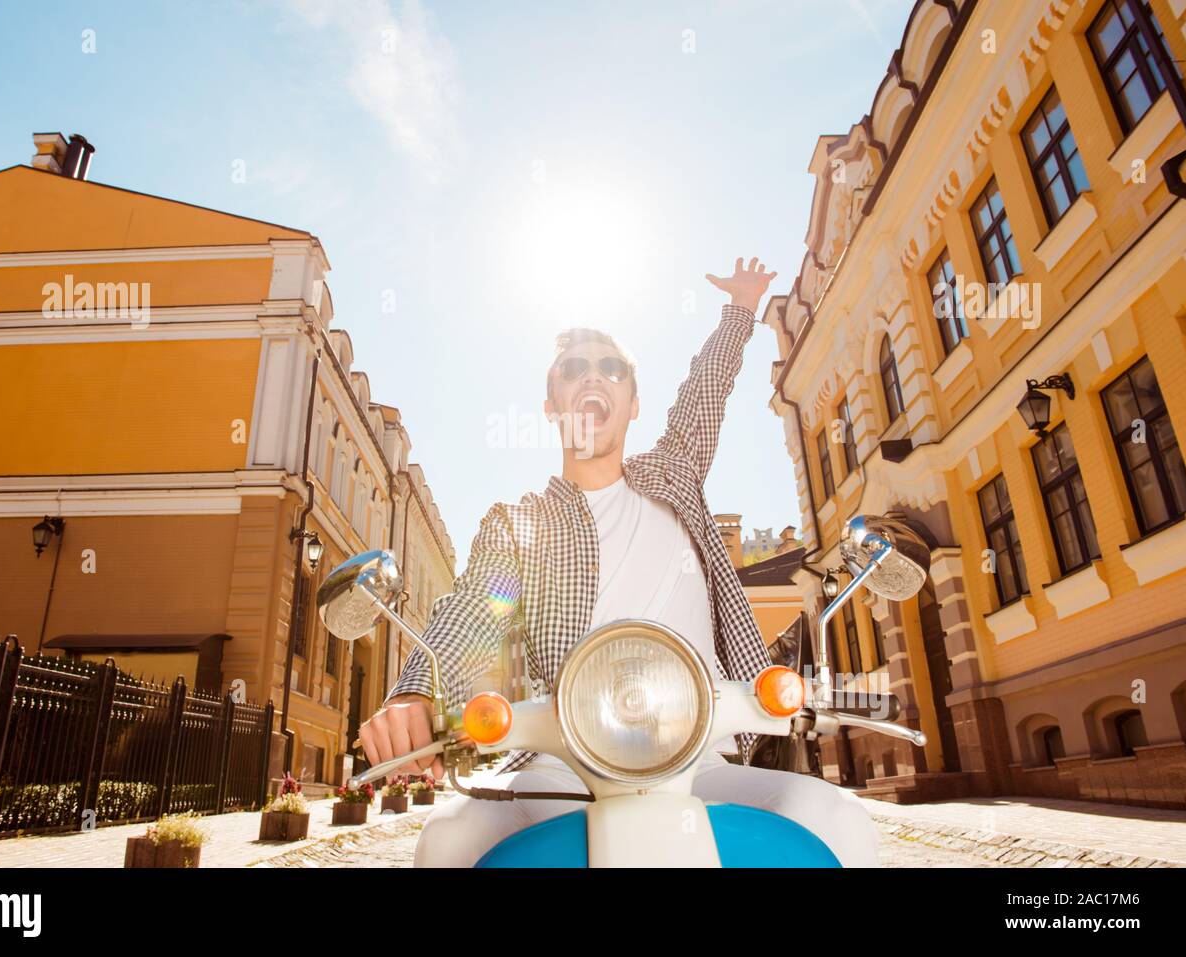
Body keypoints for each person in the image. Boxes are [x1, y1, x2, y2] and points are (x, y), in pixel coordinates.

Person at [358, 257, 880, 867]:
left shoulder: (674, 474)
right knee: (448, 841)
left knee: (836, 818)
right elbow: (473, 608)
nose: (593, 378)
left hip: (700, 760)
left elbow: (704, 391)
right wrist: (415, 691)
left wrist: (740, 309)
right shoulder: (519, 522)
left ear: (633, 402)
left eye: (612, 369)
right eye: (573, 369)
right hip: (560, 768)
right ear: (551, 402)